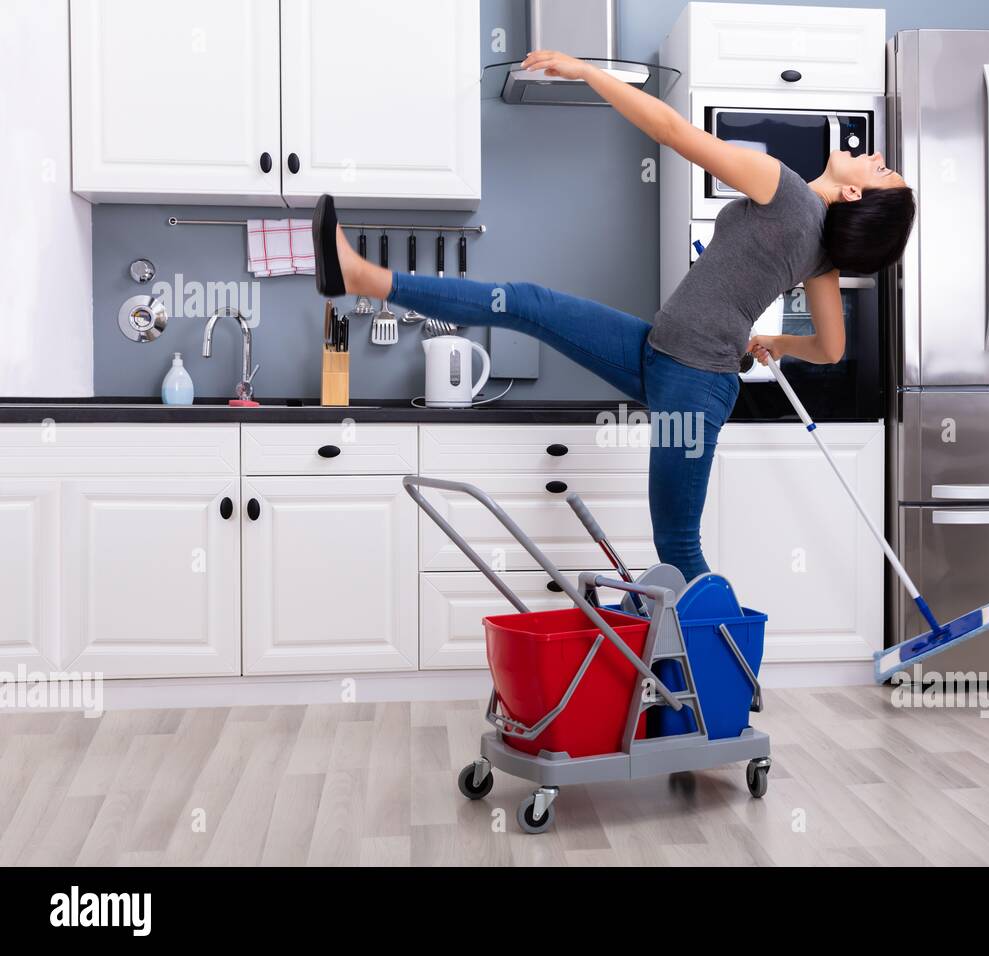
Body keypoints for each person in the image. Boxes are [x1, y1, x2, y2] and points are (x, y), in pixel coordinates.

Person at [312, 50, 915, 582]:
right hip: (659, 353)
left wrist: (585, 72)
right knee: (526, 303)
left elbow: (672, 130)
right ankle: (365, 276)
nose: (878, 156)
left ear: (859, 196)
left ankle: (723, 680)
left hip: (694, 382)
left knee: (677, 546)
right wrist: (778, 343)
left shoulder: (784, 189)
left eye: (882, 171)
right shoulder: (823, 261)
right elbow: (831, 350)